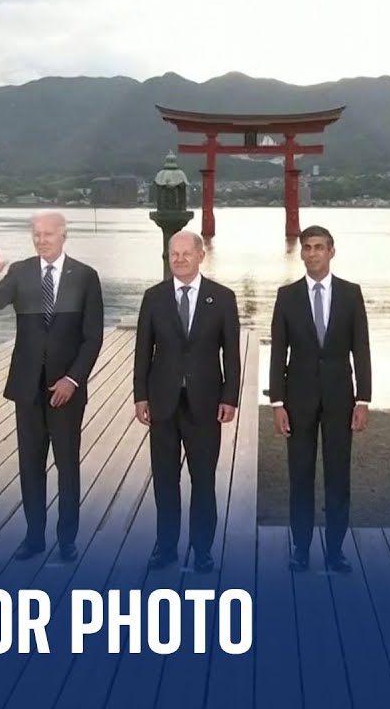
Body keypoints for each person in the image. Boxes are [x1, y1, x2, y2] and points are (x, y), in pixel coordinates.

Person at [0, 211, 104, 562]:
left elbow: (93, 337)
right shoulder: (19, 272)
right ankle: (34, 538)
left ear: (64, 235)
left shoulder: (86, 276)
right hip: (27, 387)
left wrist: (73, 379)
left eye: (48, 233)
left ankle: (67, 540)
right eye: (36, 234)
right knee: (30, 464)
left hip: (67, 388)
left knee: (67, 465)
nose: (41, 239)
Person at [133, 230, 240, 573]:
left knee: (203, 480)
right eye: (173, 254)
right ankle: (165, 547)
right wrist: (140, 396)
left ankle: (203, 549)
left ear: (200, 255)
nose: (178, 259)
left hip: (206, 403)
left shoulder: (222, 298)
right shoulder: (154, 297)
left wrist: (230, 397)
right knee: (165, 480)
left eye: (185, 253)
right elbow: (142, 351)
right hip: (162, 401)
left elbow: (232, 355)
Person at [268, 225, 371, 573]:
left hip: (341, 398)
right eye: (307, 248)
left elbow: (362, 349)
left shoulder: (351, 293)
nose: (312, 253)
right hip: (297, 400)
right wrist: (277, 403)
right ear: (302, 253)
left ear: (331, 251)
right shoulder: (287, 296)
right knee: (300, 476)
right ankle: (300, 548)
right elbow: (278, 352)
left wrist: (364, 400)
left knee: (338, 477)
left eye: (318, 247)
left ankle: (335, 551)